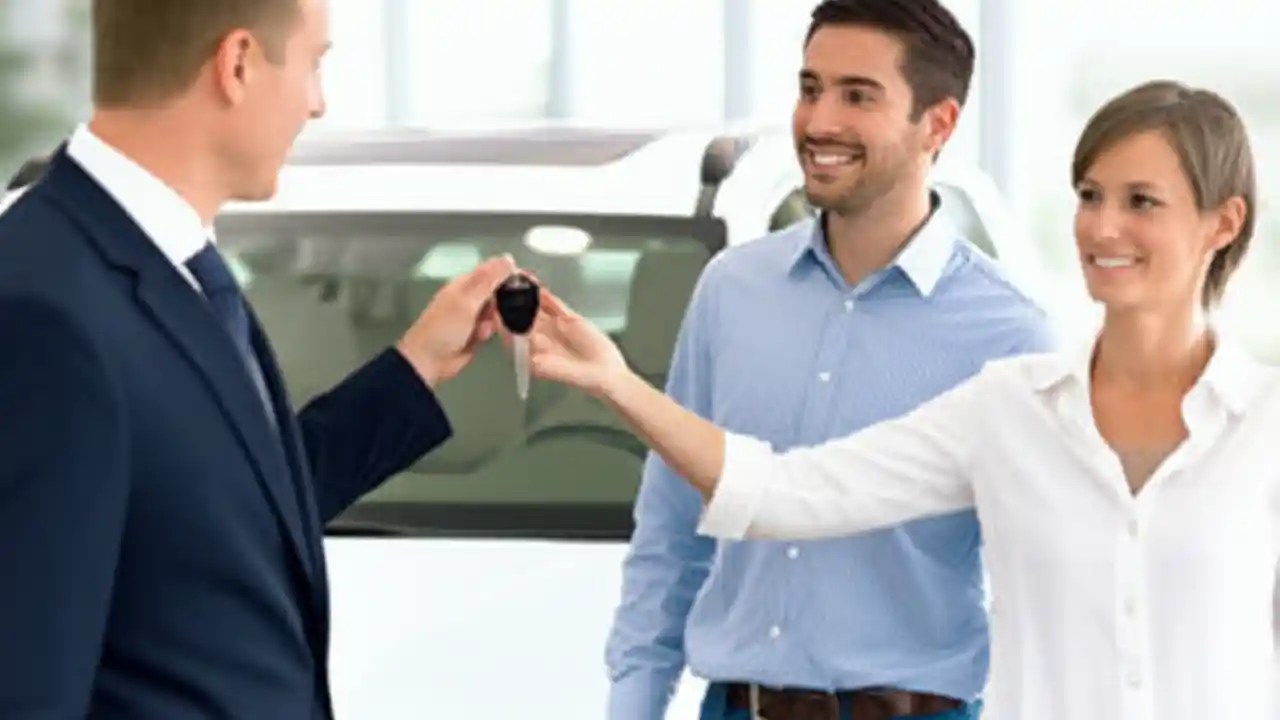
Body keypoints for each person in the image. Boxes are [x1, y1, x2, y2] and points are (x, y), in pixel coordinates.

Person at [527, 79, 1273, 720]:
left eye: (1142, 201)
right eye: (1089, 196)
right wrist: (617, 383)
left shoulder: (1266, 426)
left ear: (1224, 222)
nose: (1103, 227)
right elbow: (787, 493)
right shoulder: (1008, 409)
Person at [0, 1, 512, 718]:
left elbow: (222, 513)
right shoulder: (44, 308)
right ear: (237, 63)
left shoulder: (167, 264)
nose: (318, 103)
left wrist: (412, 371)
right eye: (314, 63)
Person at [599, 2, 1053, 719]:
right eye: (811, 89)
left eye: (857, 96)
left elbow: (1042, 590)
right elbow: (670, 529)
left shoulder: (1009, 334)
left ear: (938, 123)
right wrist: (634, 706)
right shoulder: (731, 292)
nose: (818, 122)